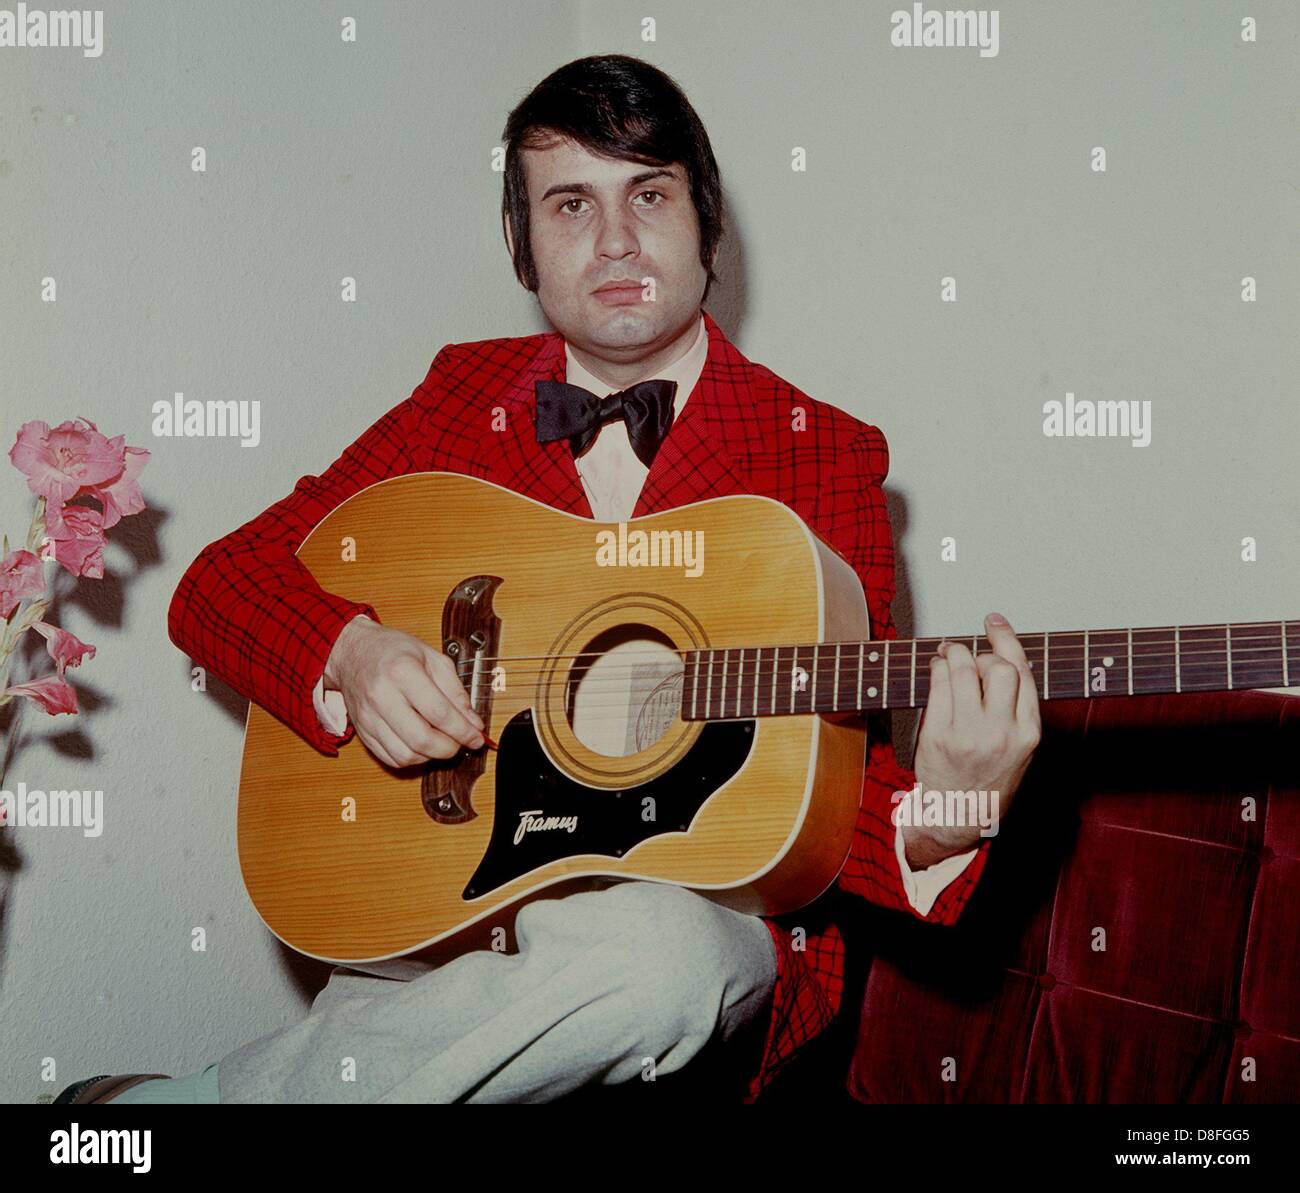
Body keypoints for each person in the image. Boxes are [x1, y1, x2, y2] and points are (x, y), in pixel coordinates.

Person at [55, 53, 1040, 1106]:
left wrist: (955, 804)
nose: (615, 240)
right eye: (570, 204)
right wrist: (352, 648)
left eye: (648, 194)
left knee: (664, 958)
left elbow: (827, 814)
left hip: (684, 934)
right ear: (523, 252)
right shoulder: (457, 396)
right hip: (450, 899)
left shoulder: (823, 453)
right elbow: (217, 584)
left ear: (710, 227)